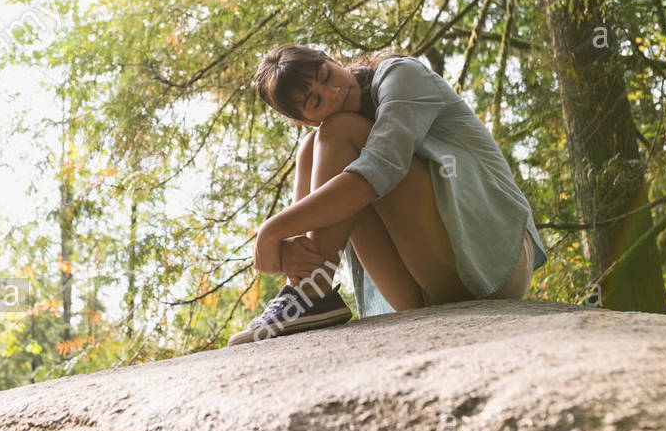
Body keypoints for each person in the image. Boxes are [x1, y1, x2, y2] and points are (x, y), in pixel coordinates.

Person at [226, 44, 547, 347]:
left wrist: (270, 232)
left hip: (494, 262)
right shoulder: (322, 140)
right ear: (305, 119)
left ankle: (312, 293)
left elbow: (379, 170)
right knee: (314, 147)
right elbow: (301, 240)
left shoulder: (401, 75)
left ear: (332, 59)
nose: (334, 93)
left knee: (340, 136)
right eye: (316, 102)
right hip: (424, 292)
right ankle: (309, 293)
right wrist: (284, 248)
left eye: (327, 76)